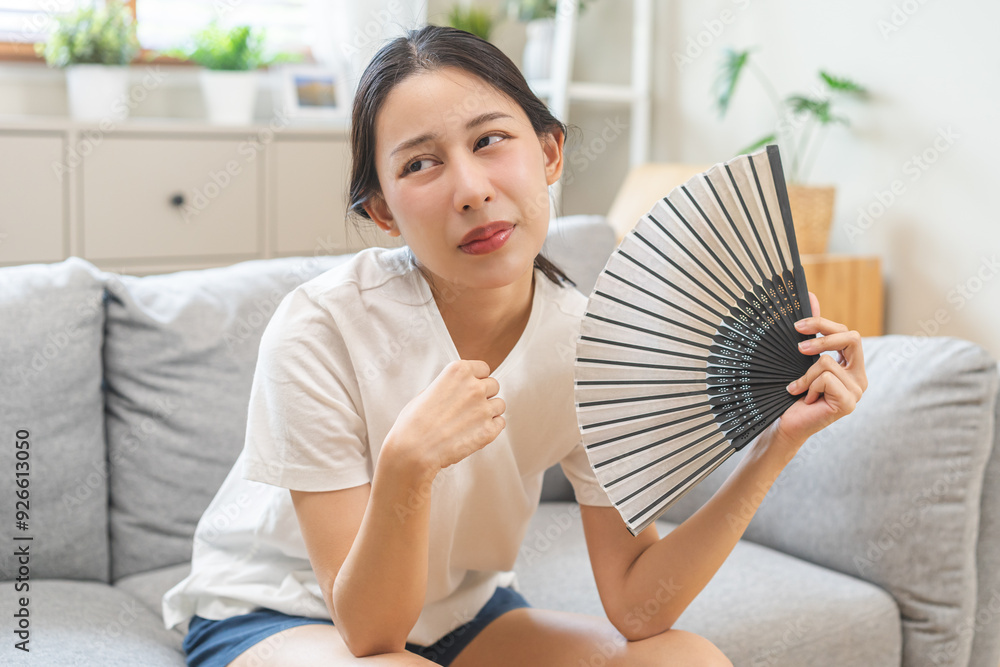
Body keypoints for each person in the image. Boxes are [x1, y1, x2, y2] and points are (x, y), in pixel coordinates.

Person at [162, 25, 868, 667]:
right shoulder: (319, 327)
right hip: (280, 612)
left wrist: (774, 447)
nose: (471, 189)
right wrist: (407, 465)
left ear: (551, 151)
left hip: (464, 616)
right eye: (420, 165)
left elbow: (635, 603)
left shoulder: (591, 345)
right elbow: (370, 635)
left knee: (686, 658)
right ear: (382, 210)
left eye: (490, 140)